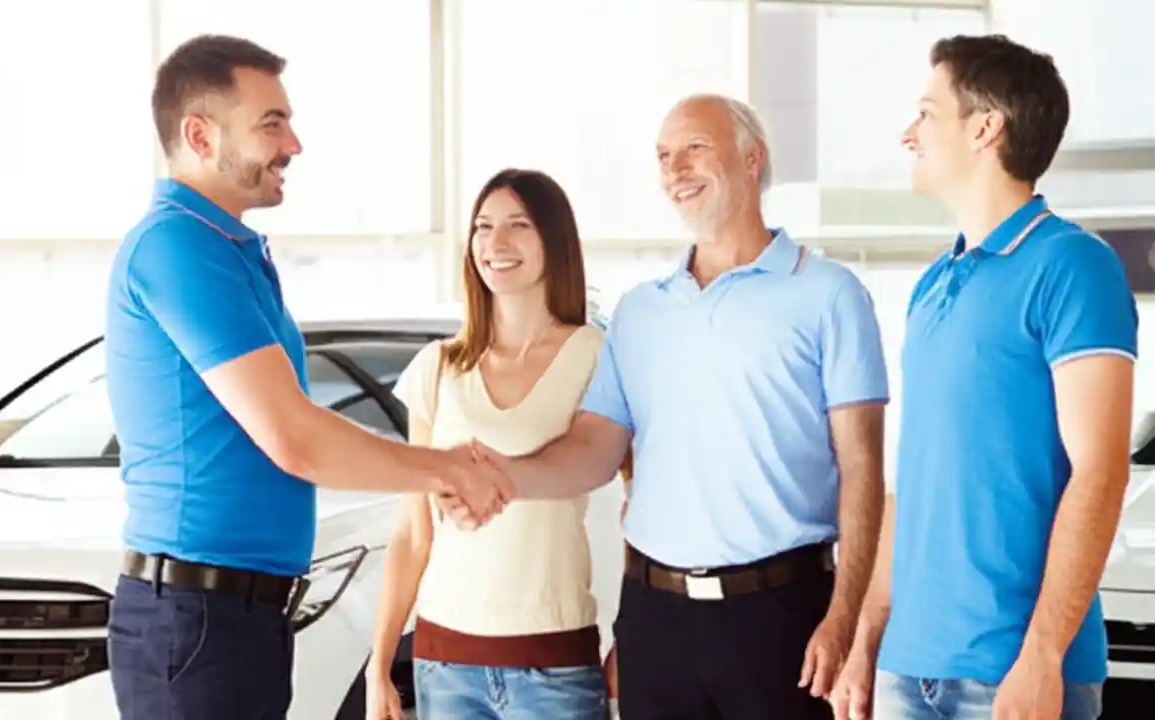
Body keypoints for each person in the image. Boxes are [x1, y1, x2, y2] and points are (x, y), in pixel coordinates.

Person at [103, 34, 509, 720]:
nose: (294, 144)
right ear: (199, 135)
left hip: (232, 619)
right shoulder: (177, 245)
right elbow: (294, 436)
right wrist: (444, 470)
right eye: (272, 123)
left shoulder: (226, 250)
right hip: (199, 624)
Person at [456, 94, 892, 719]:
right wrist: (505, 476)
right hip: (654, 617)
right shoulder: (640, 311)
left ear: (752, 158)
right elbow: (593, 450)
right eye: (663, 156)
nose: (675, 170)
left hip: (782, 617)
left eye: (694, 149)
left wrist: (845, 617)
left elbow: (863, 468)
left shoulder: (827, 294)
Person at [829, 34, 1137, 720]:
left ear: (986, 126)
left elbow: (1102, 472)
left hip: (1011, 675)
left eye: (927, 113)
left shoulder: (1072, 265)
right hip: (908, 672)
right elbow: (910, 486)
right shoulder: (934, 282)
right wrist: (867, 643)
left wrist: (1044, 658)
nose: (909, 133)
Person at [364, 168, 612, 720]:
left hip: (555, 665)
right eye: (482, 226)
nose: (495, 244)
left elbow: (642, 504)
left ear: (555, 240)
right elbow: (412, 533)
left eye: (517, 225)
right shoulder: (438, 367)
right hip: (444, 663)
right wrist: (379, 660)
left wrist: (633, 638)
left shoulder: (597, 355)